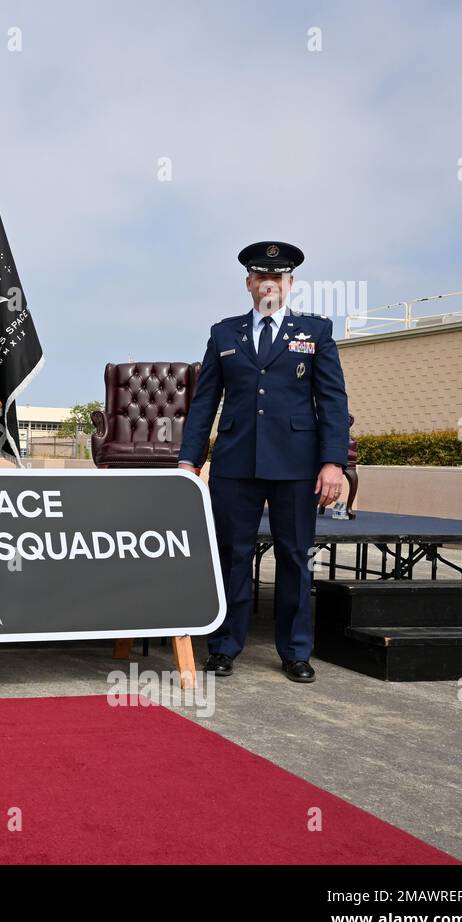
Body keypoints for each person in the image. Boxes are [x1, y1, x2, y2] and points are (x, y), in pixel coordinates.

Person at [179, 242, 349, 683]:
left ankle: (295, 651)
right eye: (261, 276)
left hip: (296, 466)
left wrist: (332, 462)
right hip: (236, 465)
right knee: (231, 555)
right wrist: (188, 461)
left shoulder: (316, 331)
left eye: (278, 276)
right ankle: (223, 647)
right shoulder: (224, 334)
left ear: (290, 283)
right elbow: (204, 405)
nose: (269, 283)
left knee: (295, 558)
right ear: (249, 283)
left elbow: (331, 401)